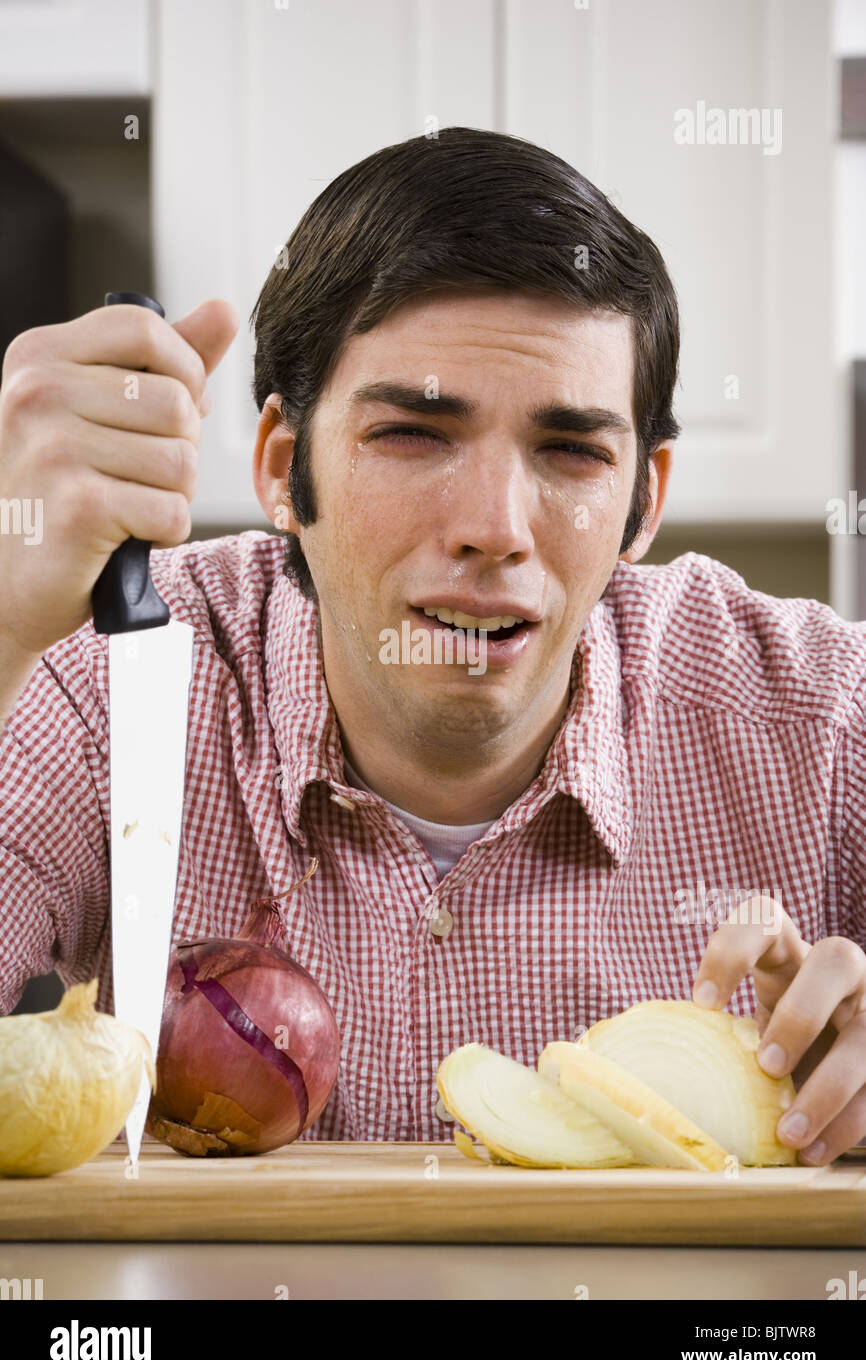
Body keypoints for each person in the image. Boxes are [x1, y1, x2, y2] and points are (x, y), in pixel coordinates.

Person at [1, 127, 864, 1159]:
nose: (493, 526)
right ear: (283, 467)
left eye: (570, 450)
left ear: (644, 504)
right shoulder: (95, 682)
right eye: (411, 433)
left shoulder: (820, 718)